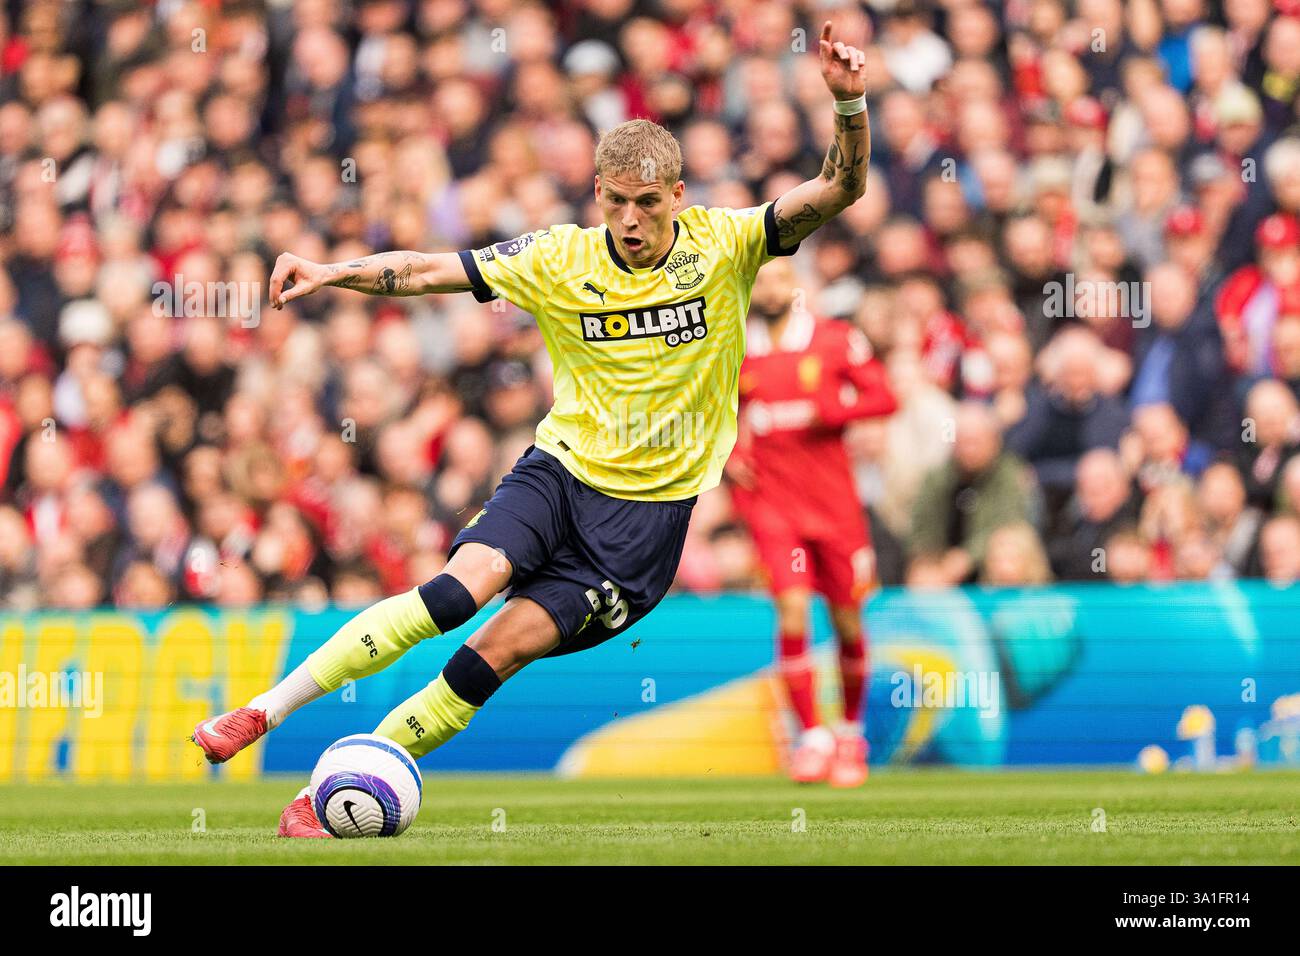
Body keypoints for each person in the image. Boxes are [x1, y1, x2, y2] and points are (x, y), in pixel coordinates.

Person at [190, 23, 874, 837]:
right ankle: (261, 713)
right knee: (451, 595)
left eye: (648, 203)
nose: (630, 219)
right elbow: (431, 271)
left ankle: (335, 787)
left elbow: (838, 190)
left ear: (678, 198)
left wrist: (848, 103)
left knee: (490, 657)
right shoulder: (558, 257)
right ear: (597, 195)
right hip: (559, 474)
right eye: (615, 201)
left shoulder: (728, 244)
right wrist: (334, 271)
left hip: (642, 528)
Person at [728, 257, 896, 787]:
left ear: (797, 287)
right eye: (762, 281)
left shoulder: (834, 339)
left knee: (848, 621)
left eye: (781, 279)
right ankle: (813, 738)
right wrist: (730, 455)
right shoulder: (735, 350)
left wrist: (833, 411)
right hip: (777, 510)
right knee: (793, 611)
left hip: (836, 510)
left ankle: (849, 732)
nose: (771, 289)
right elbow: (713, 415)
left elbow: (884, 396)